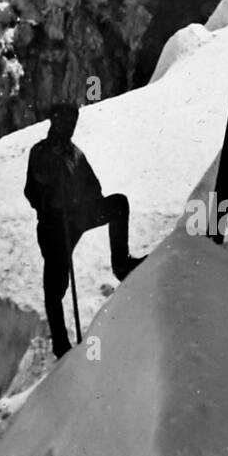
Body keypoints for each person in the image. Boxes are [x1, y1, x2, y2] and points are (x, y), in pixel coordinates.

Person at [24, 103, 142, 358]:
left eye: (72, 122)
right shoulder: (41, 152)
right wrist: (53, 200)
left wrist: (84, 199)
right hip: (55, 226)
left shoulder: (75, 154)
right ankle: (60, 344)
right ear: (54, 122)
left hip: (76, 218)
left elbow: (94, 185)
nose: (69, 127)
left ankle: (120, 263)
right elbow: (33, 189)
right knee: (56, 285)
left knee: (117, 204)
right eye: (65, 122)